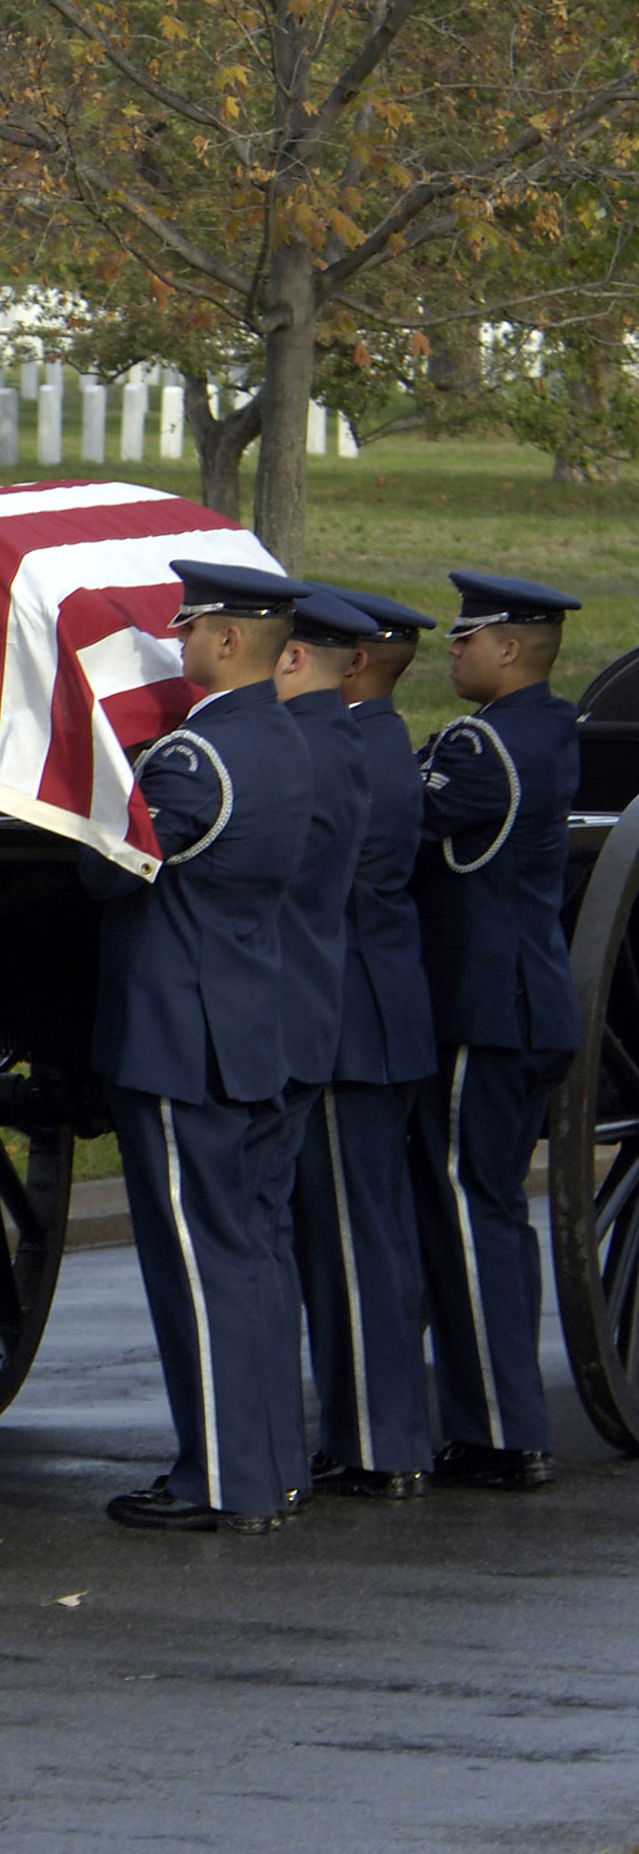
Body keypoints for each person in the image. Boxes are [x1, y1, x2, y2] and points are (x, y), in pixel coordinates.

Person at [85, 562, 314, 1535]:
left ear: (228, 638)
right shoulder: (289, 741)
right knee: (252, 1258)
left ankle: (217, 1478)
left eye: (190, 629)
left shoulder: (192, 760)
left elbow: (112, 873)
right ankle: (270, 1466)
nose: (177, 642)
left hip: (181, 1042)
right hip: (251, 1029)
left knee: (197, 1266)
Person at [411, 570, 584, 1491]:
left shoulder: (479, 745)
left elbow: (398, 817)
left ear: (509, 648)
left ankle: (502, 1435)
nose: (453, 649)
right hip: (529, 1003)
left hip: (483, 1009)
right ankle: (508, 1418)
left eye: (467, 637)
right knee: (495, 1211)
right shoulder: (550, 728)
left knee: (467, 1213)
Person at [293, 586, 440, 1499]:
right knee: (372, 1234)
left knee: (351, 1240)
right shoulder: (384, 742)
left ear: (350, 663)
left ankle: (377, 1446)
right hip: (380, 1014)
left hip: (351, 1023)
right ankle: (384, 1436)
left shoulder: (347, 754)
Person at [251, 586, 376, 1504]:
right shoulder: (339, 742)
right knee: (268, 1239)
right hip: (301, 1012)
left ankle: (262, 1455)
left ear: (292, 656)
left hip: (273, 1016)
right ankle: (270, 1454)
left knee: (255, 1242)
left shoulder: (299, 751)